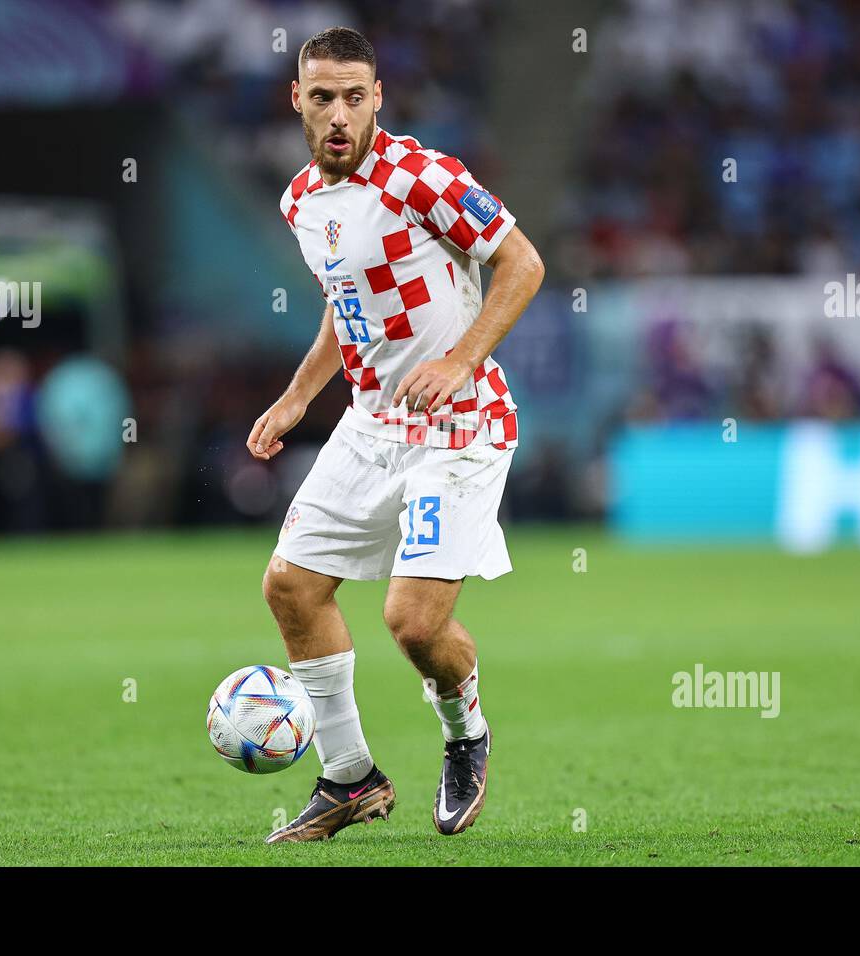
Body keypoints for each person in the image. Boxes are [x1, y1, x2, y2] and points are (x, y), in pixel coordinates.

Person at [246, 27, 544, 843]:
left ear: (378, 98)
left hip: (460, 424)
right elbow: (345, 309)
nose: (338, 115)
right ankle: (349, 777)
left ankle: (465, 735)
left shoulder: (424, 176)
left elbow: (523, 264)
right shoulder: (300, 201)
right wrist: (297, 397)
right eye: (321, 98)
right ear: (297, 102)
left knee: (413, 624)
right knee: (291, 586)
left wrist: (459, 357)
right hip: (370, 422)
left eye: (354, 97)